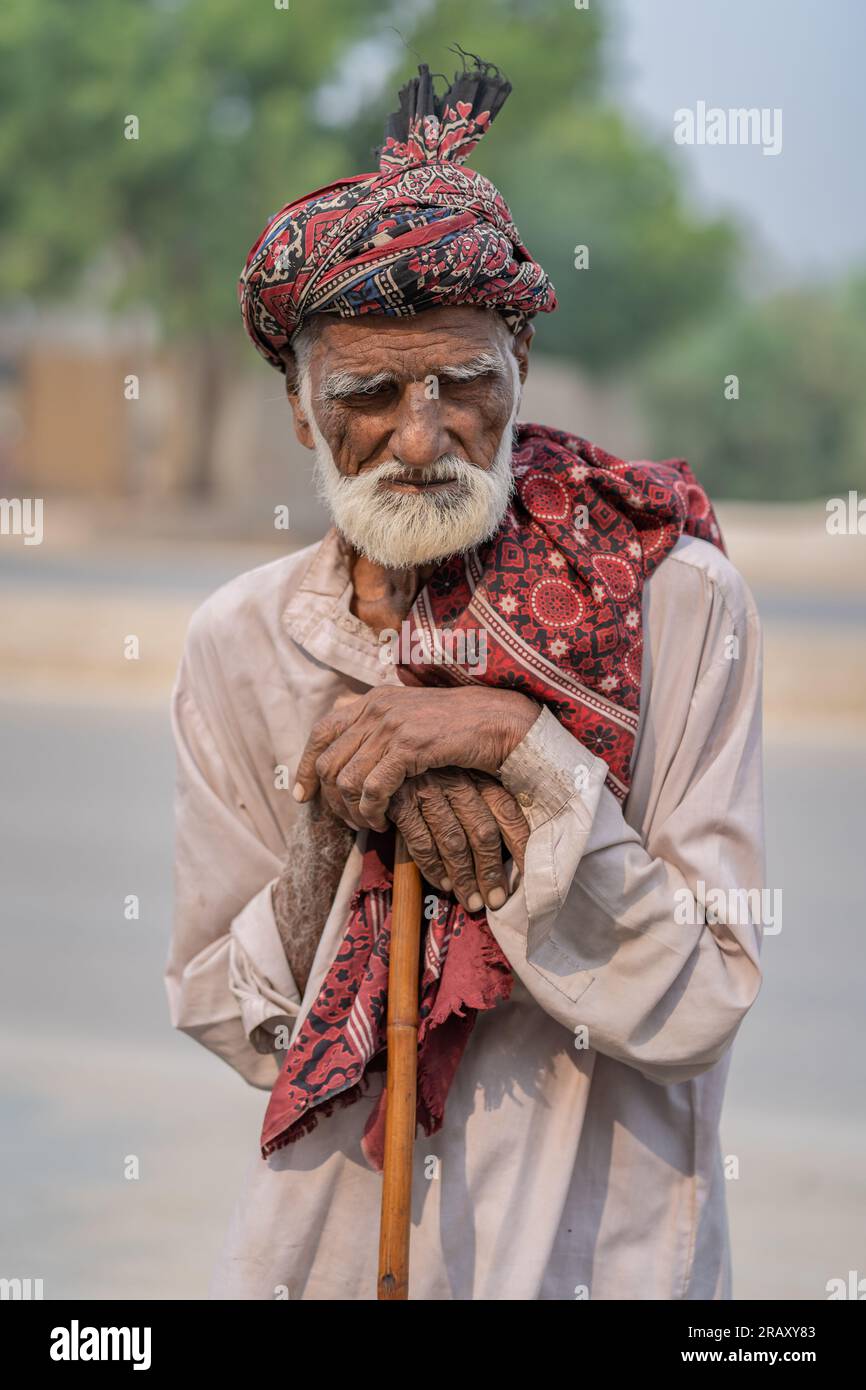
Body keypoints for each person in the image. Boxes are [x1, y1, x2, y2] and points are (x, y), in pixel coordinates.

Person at [166, 53, 764, 1300]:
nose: (424, 438)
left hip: (598, 1258)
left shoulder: (676, 599)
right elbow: (224, 1014)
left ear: (522, 369)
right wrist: (337, 823)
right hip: (333, 1256)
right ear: (296, 409)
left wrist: (521, 749)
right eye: (368, 395)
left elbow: (703, 997)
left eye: (465, 387)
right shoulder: (241, 640)